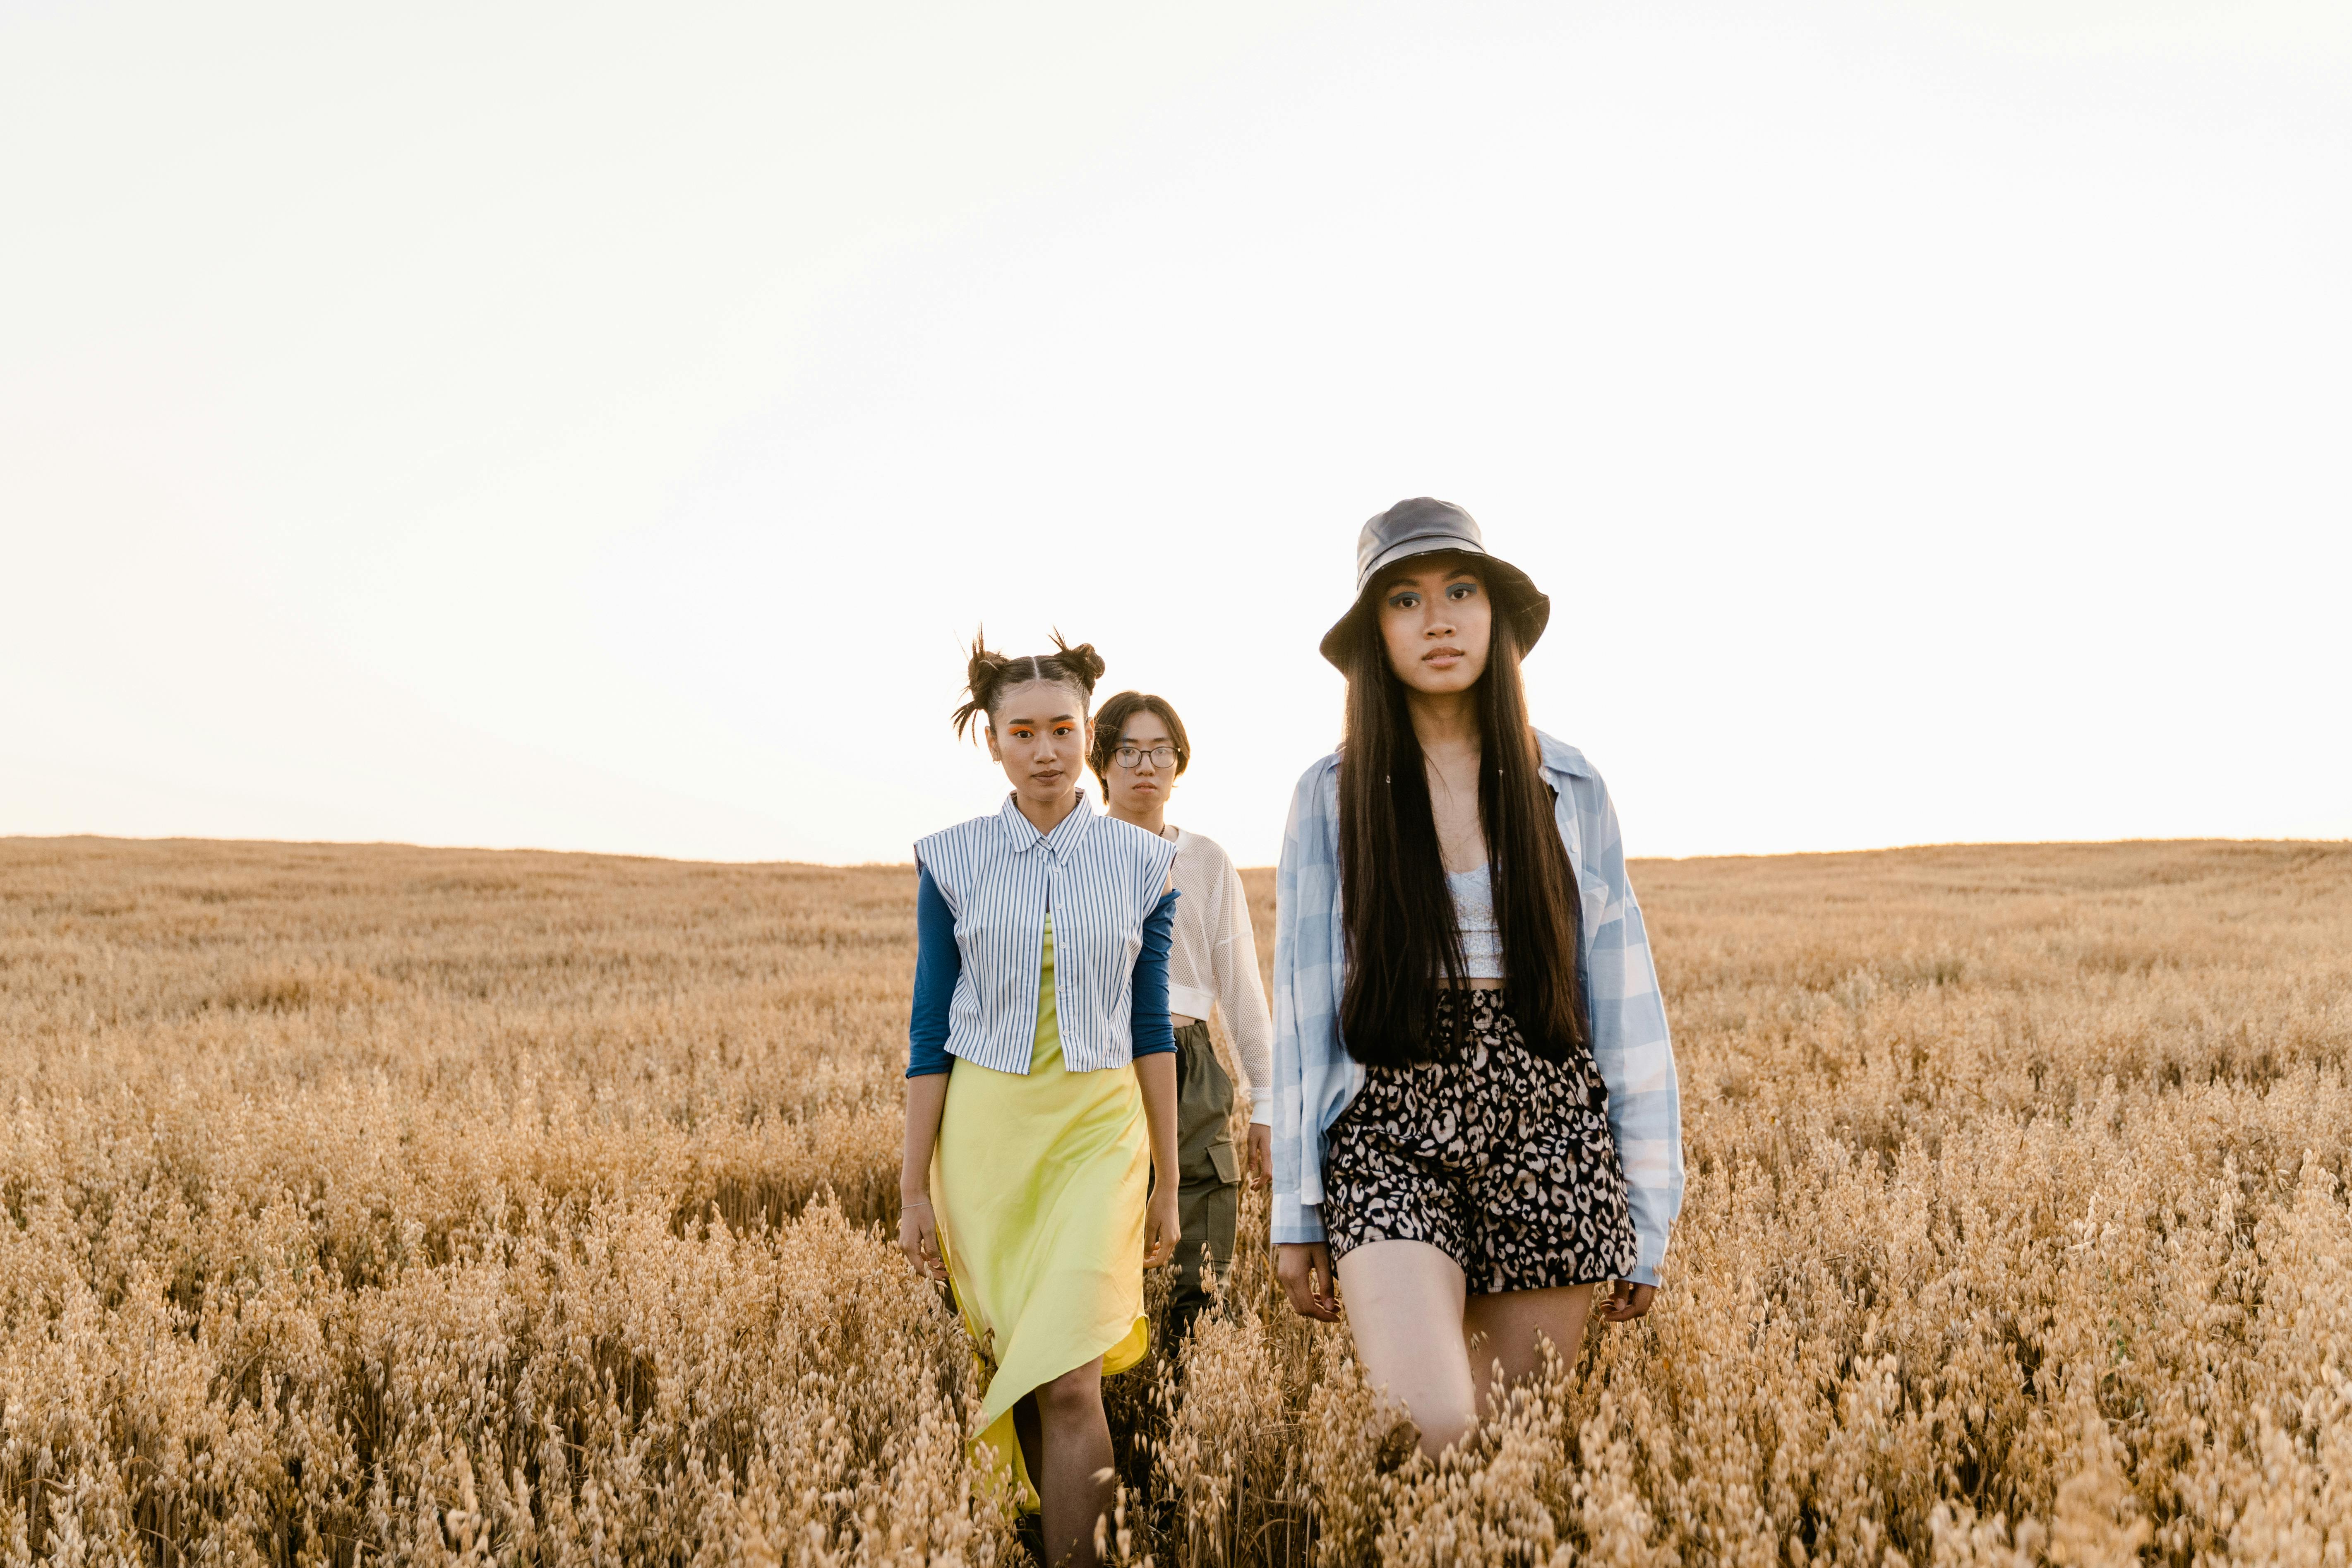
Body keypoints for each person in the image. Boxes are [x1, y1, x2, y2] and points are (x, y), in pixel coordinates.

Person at [1267, 499, 1684, 1459]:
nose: (1439, 619)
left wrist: (1647, 1216)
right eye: (1406, 600)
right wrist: (1298, 1204)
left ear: (1496, 616)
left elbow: (1625, 1008)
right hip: (1388, 1127)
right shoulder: (1329, 794)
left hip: (1548, 1122)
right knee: (1435, 1421)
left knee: (1501, 1454)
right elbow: (1300, 1012)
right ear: (1376, 632)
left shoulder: (1569, 786)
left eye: (1460, 592)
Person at [898, 634, 1184, 1568]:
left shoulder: (1145, 864)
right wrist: (910, 1188)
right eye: (1023, 731)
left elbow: (1151, 1029)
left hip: (1100, 1138)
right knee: (1010, 1371)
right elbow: (929, 1030)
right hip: (987, 1144)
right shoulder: (951, 861)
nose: (1047, 750)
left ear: (1087, 731)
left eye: (1064, 728)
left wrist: (1168, 1181)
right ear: (992, 740)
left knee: (1070, 1381)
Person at [1089, 691, 1275, 1347]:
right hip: (1097, 1060)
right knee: (1096, 1269)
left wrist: (1266, 1102)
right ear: (1102, 762)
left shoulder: (1208, 860)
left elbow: (1242, 987)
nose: (1146, 766)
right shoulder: (1075, 852)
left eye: (1160, 751)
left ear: (1179, 762)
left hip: (1192, 1059)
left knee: (1198, 1274)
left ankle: (1189, 1424)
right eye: (1128, 751)